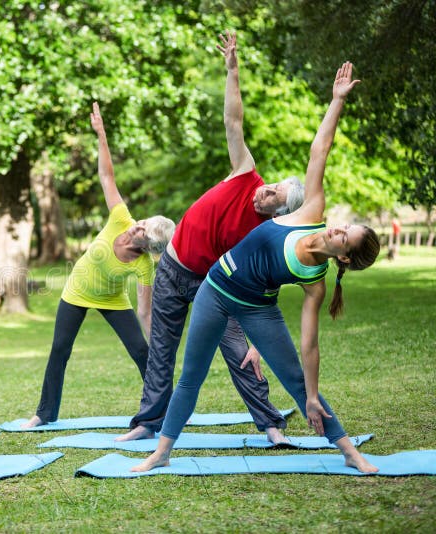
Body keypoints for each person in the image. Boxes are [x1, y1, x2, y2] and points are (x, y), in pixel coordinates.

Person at [132, 61, 380, 474]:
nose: (338, 228)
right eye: (345, 226)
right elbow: (321, 149)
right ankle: (160, 452)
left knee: (298, 383)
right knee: (191, 376)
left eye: (345, 237)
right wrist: (335, 102)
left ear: (344, 258)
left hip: (257, 307)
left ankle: (349, 452)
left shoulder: (315, 282)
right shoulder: (312, 211)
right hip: (215, 288)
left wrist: (313, 395)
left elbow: (310, 345)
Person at [117, 32, 304, 444]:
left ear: (280, 211)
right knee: (161, 352)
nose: (266, 190)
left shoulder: (266, 235)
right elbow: (233, 120)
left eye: (274, 196)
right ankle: (147, 423)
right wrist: (232, 69)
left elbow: (265, 292)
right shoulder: (245, 173)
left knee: (239, 353)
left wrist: (259, 340)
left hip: (215, 287)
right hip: (172, 267)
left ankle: (271, 424)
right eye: (272, 185)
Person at [21, 102, 175, 429]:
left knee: (141, 352)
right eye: (141, 222)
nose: (136, 226)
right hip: (76, 291)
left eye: (142, 231)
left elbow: (145, 313)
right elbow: (106, 175)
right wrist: (101, 135)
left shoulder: (144, 266)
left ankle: (163, 410)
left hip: (112, 300)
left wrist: (157, 346)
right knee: (59, 350)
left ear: (149, 245)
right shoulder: (121, 218)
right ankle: (44, 414)